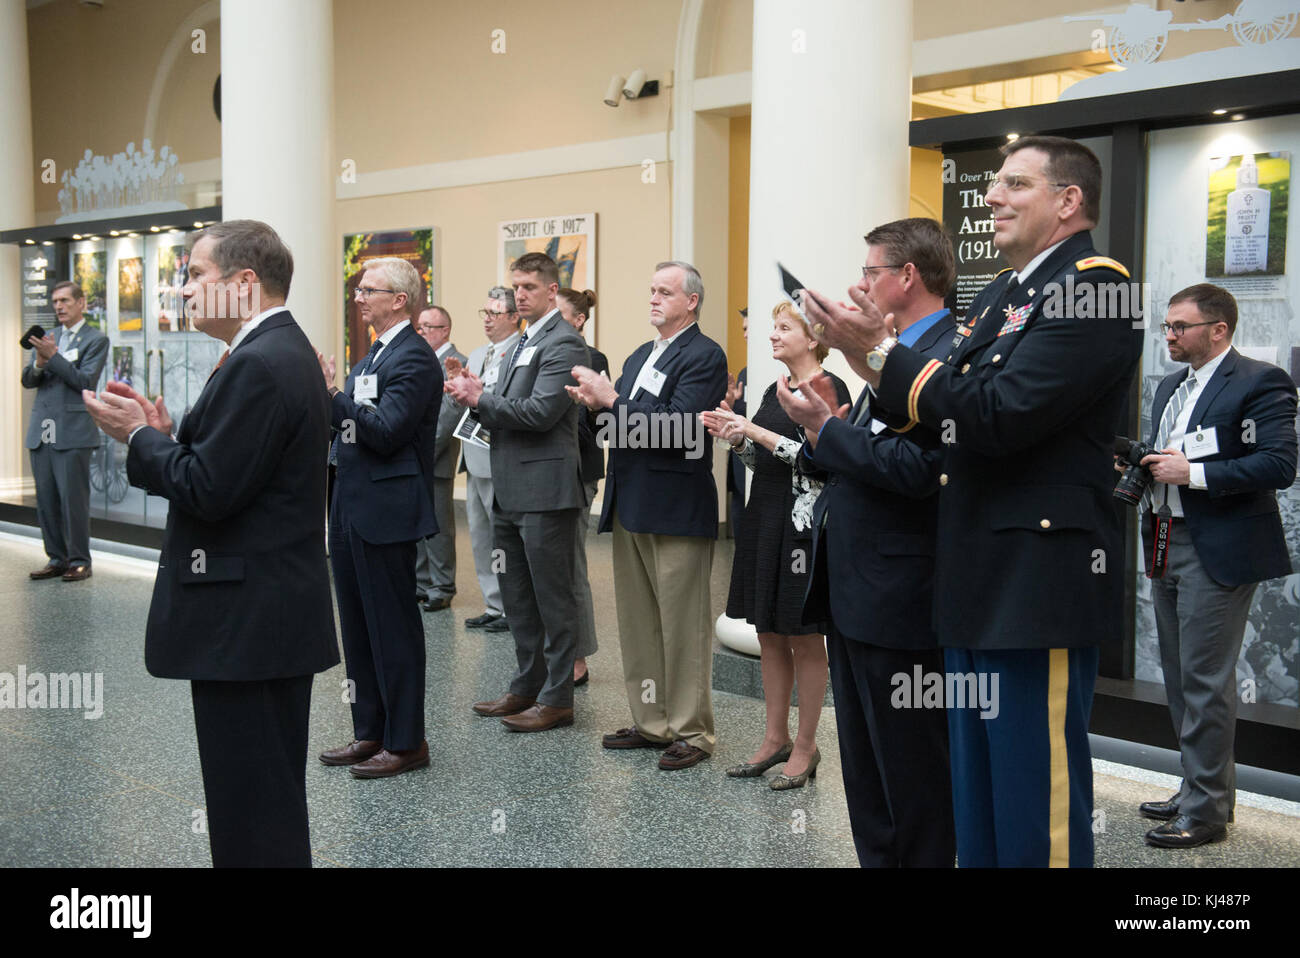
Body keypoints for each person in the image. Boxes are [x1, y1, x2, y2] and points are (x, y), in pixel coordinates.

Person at [800, 136, 1143, 867]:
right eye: (994, 185)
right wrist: (865, 356)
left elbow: (999, 414)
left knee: (1034, 805)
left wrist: (886, 358)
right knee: (979, 806)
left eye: (1015, 184)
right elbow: (939, 411)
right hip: (972, 578)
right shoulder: (1003, 294)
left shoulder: (1095, 285)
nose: (990, 198)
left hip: (1034, 582)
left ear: (1068, 201)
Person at [82, 219, 339, 866]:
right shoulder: (273, 352)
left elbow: (209, 489)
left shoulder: (261, 362)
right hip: (264, 617)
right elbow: (233, 467)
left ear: (244, 283)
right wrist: (167, 435)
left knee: (252, 813)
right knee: (261, 802)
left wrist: (141, 438)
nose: (182, 290)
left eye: (195, 274)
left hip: (249, 622)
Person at [777, 217, 958, 865]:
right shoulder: (886, 351)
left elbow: (919, 471)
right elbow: (861, 454)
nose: (859, 286)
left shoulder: (944, 354)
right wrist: (821, 425)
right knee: (868, 773)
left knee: (913, 777)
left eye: (869, 273)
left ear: (906, 277)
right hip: (857, 590)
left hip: (902, 595)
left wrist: (829, 432)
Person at [1135, 283, 1297, 848]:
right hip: (1163, 539)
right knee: (1180, 678)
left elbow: (1278, 464)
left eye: (1181, 326)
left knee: (1205, 681)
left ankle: (1204, 813)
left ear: (1219, 330)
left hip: (1219, 548)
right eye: (1168, 326)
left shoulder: (1259, 380)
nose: (1170, 335)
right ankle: (1200, 789)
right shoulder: (1172, 388)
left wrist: (1194, 475)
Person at [569, 261, 728, 770]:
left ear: (692, 301)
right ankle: (652, 721)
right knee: (639, 625)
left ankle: (693, 731)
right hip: (631, 502)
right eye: (652, 290)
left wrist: (612, 400)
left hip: (677, 507)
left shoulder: (704, 355)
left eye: (665, 292)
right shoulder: (640, 356)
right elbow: (624, 429)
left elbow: (681, 431)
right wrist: (594, 408)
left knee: (684, 627)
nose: (654, 299)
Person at [702, 302, 847, 790]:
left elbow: (819, 462)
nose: (772, 335)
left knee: (804, 637)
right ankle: (773, 738)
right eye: (774, 327)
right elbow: (764, 463)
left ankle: (806, 746)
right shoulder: (774, 388)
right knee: (768, 632)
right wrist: (735, 438)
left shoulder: (828, 388)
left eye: (784, 328)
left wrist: (757, 431)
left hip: (803, 530)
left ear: (813, 338)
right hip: (764, 519)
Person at [446, 252, 588, 733]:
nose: (519, 295)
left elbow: (540, 413)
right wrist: (476, 390)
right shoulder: (519, 341)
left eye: (528, 287)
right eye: (515, 287)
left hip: (545, 491)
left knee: (553, 596)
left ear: (552, 291)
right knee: (518, 596)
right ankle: (526, 685)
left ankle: (557, 698)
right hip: (508, 487)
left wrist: (480, 399)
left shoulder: (563, 343)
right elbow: (504, 405)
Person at [317, 257, 441, 778]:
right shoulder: (371, 358)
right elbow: (352, 428)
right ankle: (370, 731)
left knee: (393, 627)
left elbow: (386, 432)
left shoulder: (413, 359)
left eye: (370, 290)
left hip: (386, 508)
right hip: (350, 502)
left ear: (401, 300)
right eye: (359, 288)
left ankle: (407, 741)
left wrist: (332, 395)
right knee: (359, 626)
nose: (359, 297)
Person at [22, 281, 109, 582]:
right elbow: (28, 379)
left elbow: (85, 382)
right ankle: (56, 558)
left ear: (81, 303)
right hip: (41, 432)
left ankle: (80, 560)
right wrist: (39, 361)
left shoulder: (96, 339)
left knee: (73, 501)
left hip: (72, 432)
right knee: (46, 500)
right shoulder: (49, 337)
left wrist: (53, 358)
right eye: (55, 301)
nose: (58, 306)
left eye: (64, 301)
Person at [458, 287, 521, 634]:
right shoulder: (479, 353)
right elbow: (470, 402)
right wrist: (456, 387)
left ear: (514, 317)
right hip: (473, 455)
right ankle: (493, 603)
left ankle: (514, 607)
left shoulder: (522, 353)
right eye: (484, 312)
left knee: (504, 540)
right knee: (481, 537)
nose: (487, 319)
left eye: (494, 314)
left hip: (502, 458)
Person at [557, 286, 605, 686]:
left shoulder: (594, 359)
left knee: (571, 567)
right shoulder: (540, 352)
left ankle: (578, 657)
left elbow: (601, 424)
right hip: (543, 472)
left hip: (577, 469)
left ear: (578, 320)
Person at [414, 305, 466, 613]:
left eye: (427, 327)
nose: (421, 332)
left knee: (439, 527)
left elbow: (450, 415)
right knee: (417, 522)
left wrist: (424, 449)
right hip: (415, 455)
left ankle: (443, 585)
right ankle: (422, 582)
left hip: (437, 456)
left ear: (445, 329)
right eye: (419, 327)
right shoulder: (422, 360)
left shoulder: (457, 362)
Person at [725, 308, 749, 538]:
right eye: (743, 329)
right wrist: (731, 406)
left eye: (750, 328)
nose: (745, 335)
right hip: (740, 472)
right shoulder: (745, 374)